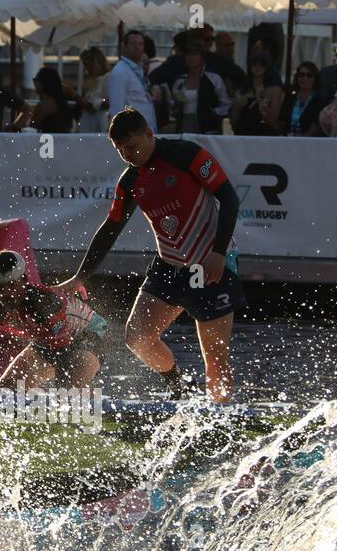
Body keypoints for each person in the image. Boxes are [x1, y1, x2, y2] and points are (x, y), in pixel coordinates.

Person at [53, 108, 242, 403]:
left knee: (215, 361)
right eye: (120, 150)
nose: (128, 154)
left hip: (209, 264)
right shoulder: (130, 181)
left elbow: (229, 198)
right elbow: (110, 228)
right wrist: (81, 275)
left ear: (149, 134)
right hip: (170, 265)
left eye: (132, 146)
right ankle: (180, 388)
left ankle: (222, 416)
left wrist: (218, 253)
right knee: (137, 338)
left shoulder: (186, 154)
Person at [0, 250, 108, 390]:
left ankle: (96, 407)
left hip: (89, 334)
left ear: (24, 280)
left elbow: (62, 354)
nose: (6, 294)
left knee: (68, 391)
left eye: (12, 285)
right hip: (47, 341)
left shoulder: (43, 305)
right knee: (8, 390)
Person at [155, 42, 230, 134]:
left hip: (207, 128)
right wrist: (176, 106)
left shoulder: (213, 79)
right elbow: (173, 104)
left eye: (195, 54)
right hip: (184, 125)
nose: (191, 57)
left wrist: (213, 112)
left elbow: (226, 103)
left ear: (202, 58)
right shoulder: (180, 81)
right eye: (188, 54)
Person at [107, 29, 157, 133]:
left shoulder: (137, 69)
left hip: (143, 133)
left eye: (140, 44)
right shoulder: (120, 72)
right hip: (132, 134)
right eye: (133, 44)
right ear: (124, 47)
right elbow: (116, 108)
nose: (138, 47)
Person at [231, 52, 284, 136]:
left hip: (265, 136)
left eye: (261, 65)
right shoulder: (242, 90)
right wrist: (238, 105)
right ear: (250, 67)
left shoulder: (274, 90)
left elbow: (273, 121)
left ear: (267, 67)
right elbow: (234, 120)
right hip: (244, 135)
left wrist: (259, 100)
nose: (257, 67)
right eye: (254, 64)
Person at [278, 61, 328, 137]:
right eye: (301, 75)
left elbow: (316, 129)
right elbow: (281, 124)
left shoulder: (320, 100)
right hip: (287, 142)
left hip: (309, 143)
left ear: (315, 78)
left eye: (309, 75)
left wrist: (299, 142)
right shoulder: (290, 98)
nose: (305, 78)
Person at [29, 66, 77, 133]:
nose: (34, 83)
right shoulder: (62, 103)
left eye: (36, 80)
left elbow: (32, 128)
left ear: (43, 82)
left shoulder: (44, 105)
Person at [77, 47, 110, 134]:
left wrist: (93, 104)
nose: (85, 69)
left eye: (87, 64)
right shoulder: (95, 81)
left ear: (96, 63)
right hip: (89, 128)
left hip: (98, 128)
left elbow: (109, 102)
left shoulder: (108, 79)